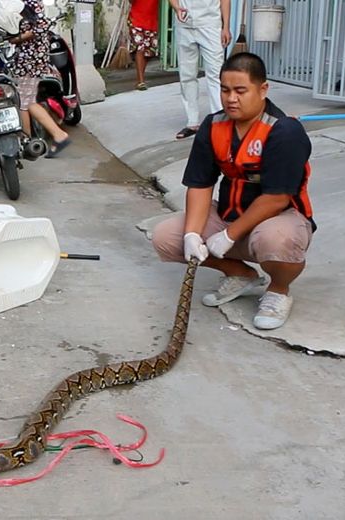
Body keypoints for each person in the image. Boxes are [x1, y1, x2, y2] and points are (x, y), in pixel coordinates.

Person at [152, 53, 315, 331]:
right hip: (228, 214)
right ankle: (241, 275)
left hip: (280, 219)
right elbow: (200, 184)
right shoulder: (213, 125)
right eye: (225, 90)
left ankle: (278, 290)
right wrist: (192, 234)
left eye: (240, 91)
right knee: (166, 236)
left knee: (276, 240)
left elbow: (276, 198)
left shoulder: (284, 131)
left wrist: (229, 235)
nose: (231, 99)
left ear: (263, 89)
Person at [6, 0, 71, 158]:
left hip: (31, 57)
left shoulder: (32, 2)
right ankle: (49, 137)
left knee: (24, 102)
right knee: (26, 101)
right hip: (27, 56)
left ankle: (29, 141)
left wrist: (17, 38)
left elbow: (41, 27)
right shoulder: (19, 3)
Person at [169, 0, 231, 140]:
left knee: (216, 75)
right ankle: (192, 123)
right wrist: (177, 7)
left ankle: (220, 121)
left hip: (210, 24)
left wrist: (226, 26)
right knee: (187, 75)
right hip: (184, 24)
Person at [128, 0, 159, 91]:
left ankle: (140, 79)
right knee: (140, 48)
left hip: (152, 22)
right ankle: (141, 81)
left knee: (149, 52)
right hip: (136, 20)